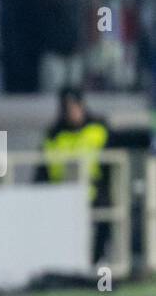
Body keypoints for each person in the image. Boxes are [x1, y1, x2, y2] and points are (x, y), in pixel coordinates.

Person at [41, 87, 112, 262]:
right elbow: (43, 170)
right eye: (68, 108)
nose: (72, 112)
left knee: (106, 209)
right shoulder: (54, 135)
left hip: (92, 191)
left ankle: (96, 260)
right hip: (60, 194)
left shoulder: (98, 129)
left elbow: (111, 162)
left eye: (75, 106)